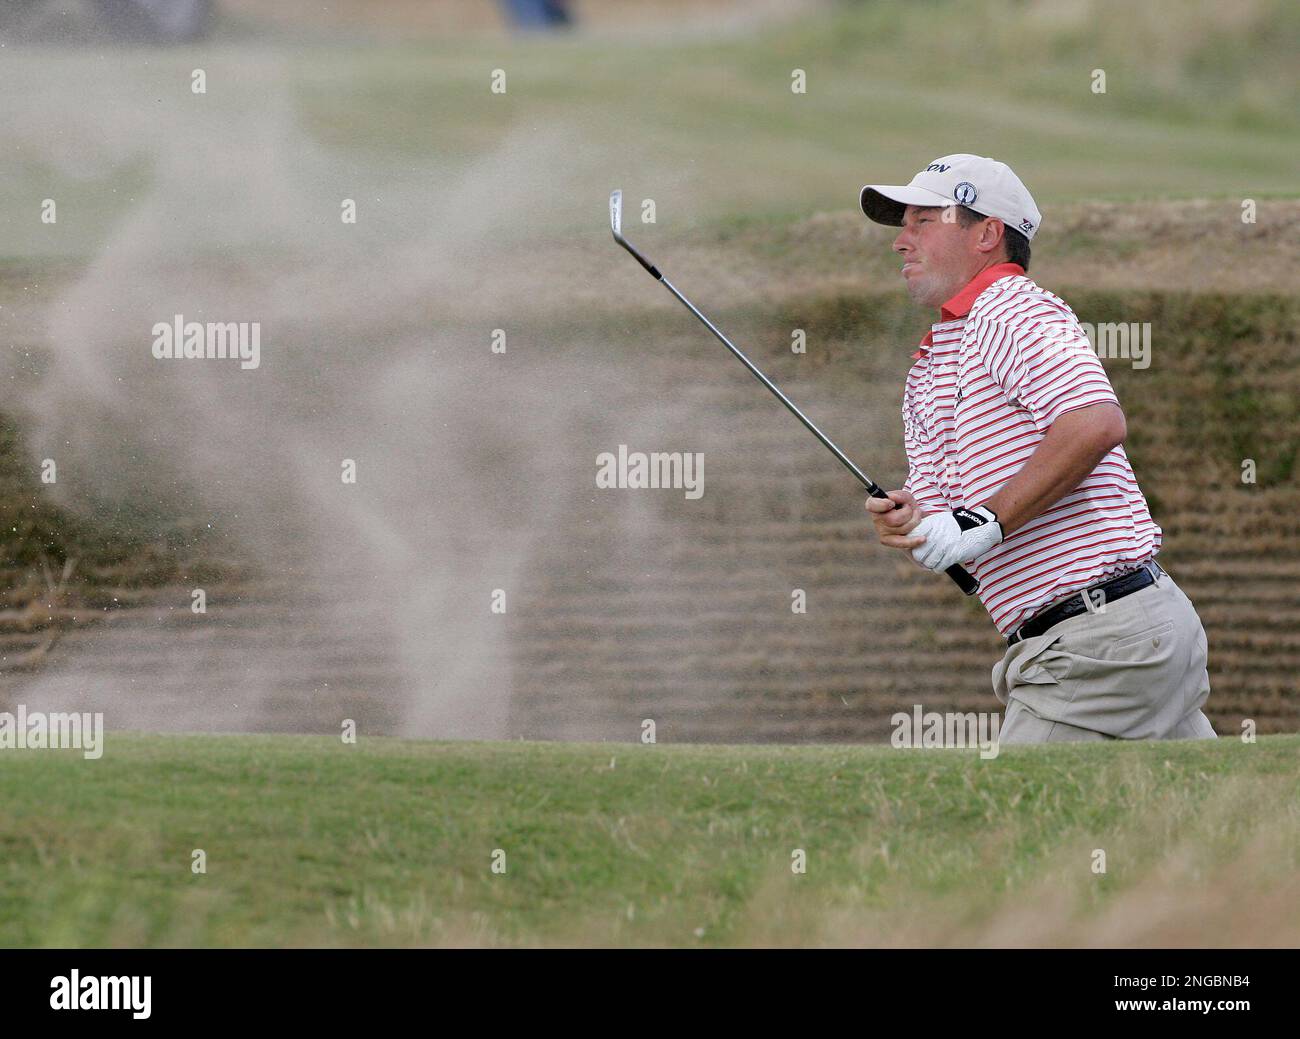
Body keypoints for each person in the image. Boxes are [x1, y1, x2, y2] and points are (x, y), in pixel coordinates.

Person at [861, 154, 1215, 743]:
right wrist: (912, 522)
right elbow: (951, 522)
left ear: (987, 234)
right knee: (1191, 827)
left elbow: (1094, 422)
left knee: (1018, 820)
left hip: (1100, 641)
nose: (902, 241)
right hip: (1118, 634)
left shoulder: (1011, 309)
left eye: (924, 221)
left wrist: (985, 521)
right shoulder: (934, 358)